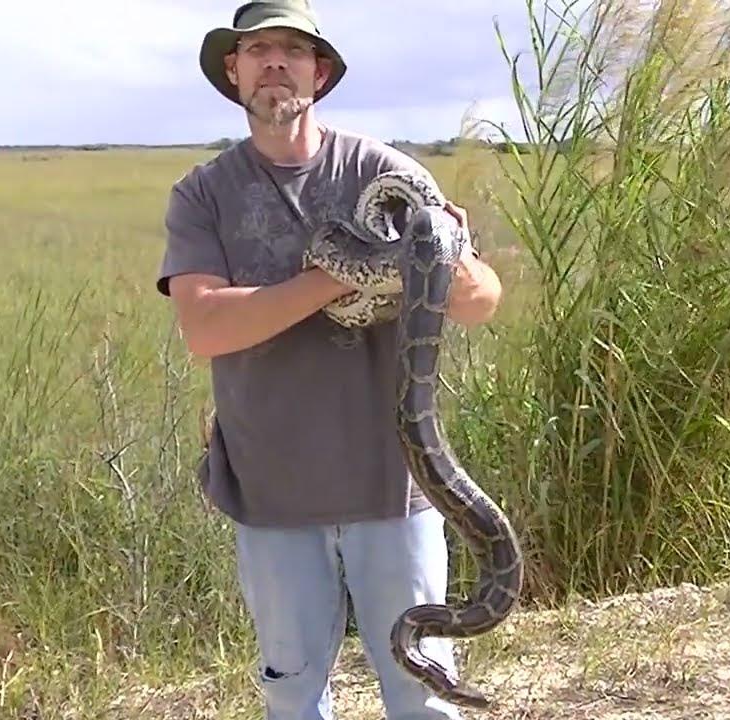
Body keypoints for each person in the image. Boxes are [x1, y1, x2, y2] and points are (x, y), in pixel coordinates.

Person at [155, 2, 504, 718]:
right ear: (234, 70)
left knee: (422, 694)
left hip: (394, 485)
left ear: (319, 72)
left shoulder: (384, 171)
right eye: (258, 51)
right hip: (273, 492)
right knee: (293, 696)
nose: (274, 64)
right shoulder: (203, 194)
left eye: (292, 50)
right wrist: (345, 276)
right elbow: (205, 327)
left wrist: (445, 253)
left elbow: (479, 302)